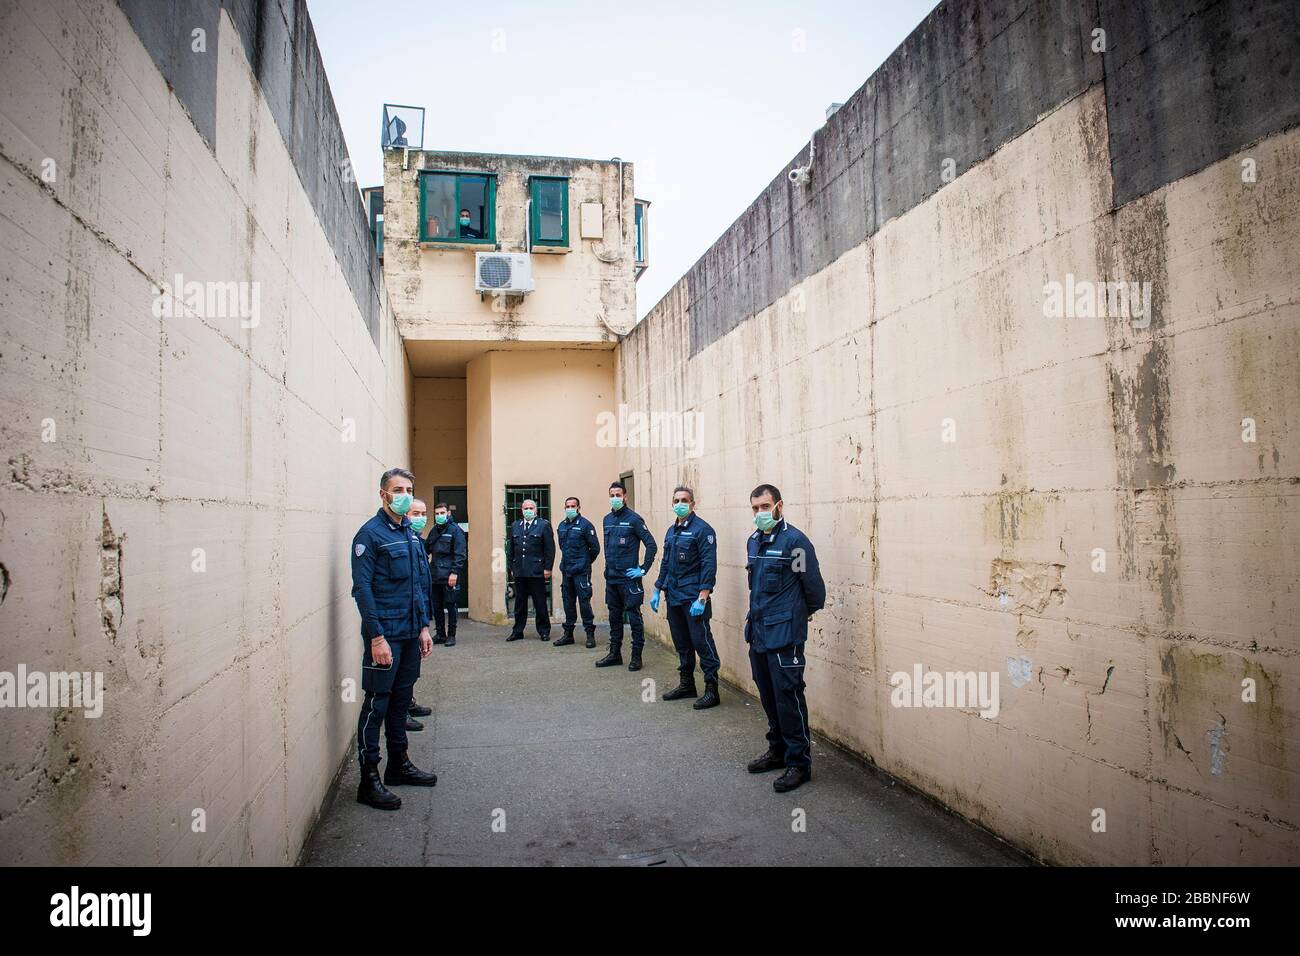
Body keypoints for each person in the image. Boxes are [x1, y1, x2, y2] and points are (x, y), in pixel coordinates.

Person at [350, 468, 438, 810]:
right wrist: (376, 637)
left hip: (409, 634)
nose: (403, 494)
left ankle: (398, 765)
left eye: (408, 489)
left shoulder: (411, 536)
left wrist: (423, 628)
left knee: (401, 704)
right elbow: (363, 590)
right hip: (385, 637)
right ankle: (368, 779)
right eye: (397, 489)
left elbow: (419, 586)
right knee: (377, 705)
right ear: (383, 494)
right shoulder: (369, 536)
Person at [743, 483, 825, 793]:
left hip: (784, 636)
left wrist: (793, 619)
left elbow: (814, 591)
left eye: (765, 507)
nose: (760, 513)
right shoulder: (754, 542)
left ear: (779, 505)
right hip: (760, 633)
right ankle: (777, 750)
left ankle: (798, 763)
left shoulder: (795, 542)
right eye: (755, 509)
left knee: (788, 697)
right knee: (768, 696)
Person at [650, 486, 720, 708]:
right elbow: (666, 563)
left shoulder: (703, 530)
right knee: (682, 644)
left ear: (693, 504)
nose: (680, 503)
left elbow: (709, 566)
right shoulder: (672, 531)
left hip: (693, 598)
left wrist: (703, 597)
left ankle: (712, 690)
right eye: (676, 500)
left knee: (702, 642)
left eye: (684, 500)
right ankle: (687, 684)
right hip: (674, 596)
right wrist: (657, 589)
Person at [596, 482, 657, 671]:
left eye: (618, 494)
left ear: (625, 496)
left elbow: (651, 545)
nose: (615, 498)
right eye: (611, 495)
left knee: (634, 617)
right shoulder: (607, 519)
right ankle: (615, 654)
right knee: (614, 617)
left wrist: (643, 569)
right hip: (612, 578)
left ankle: (636, 656)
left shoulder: (634, 519)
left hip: (629, 579)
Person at [554, 496, 601, 648]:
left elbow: (595, 548)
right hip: (566, 570)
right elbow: (562, 547)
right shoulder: (561, 526)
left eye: (573, 506)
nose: (570, 508)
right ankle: (568, 635)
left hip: (581, 571)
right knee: (568, 602)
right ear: (564, 507)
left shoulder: (586, 525)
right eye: (568, 506)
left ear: (578, 507)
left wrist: (585, 563)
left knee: (584, 602)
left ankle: (589, 634)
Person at [403, 498, 433, 732]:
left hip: (418, 611)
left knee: (413, 665)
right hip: (405, 615)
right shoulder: (404, 540)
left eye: (423, 513)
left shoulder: (418, 541)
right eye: (415, 513)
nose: (420, 518)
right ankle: (400, 711)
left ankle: (408, 702)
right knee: (404, 668)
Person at [506, 499, 555, 642]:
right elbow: (511, 549)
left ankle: (544, 630)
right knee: (519, 603)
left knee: (539, 602)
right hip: (520, 571)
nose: (528, 510)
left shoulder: (543, 525)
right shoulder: (516, 525)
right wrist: (511, 567)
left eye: (531, 508)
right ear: (521, 510)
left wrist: (548, 568)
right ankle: (518, 630)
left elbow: (549, 549)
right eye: (525, 508)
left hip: (536, 570)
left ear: (536, 510)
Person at [425, 502, 467, 647]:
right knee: (436, 606)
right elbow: (427, 549)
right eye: (437, 514)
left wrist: (454, 573)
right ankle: (440, 634)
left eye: (442, 513)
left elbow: (460, 554)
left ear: (448, 513)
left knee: (451, 605)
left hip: (449, 574)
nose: (439, 516)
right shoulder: (434, 530)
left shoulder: (455, 530)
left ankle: (451, 635)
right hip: (435, 574)